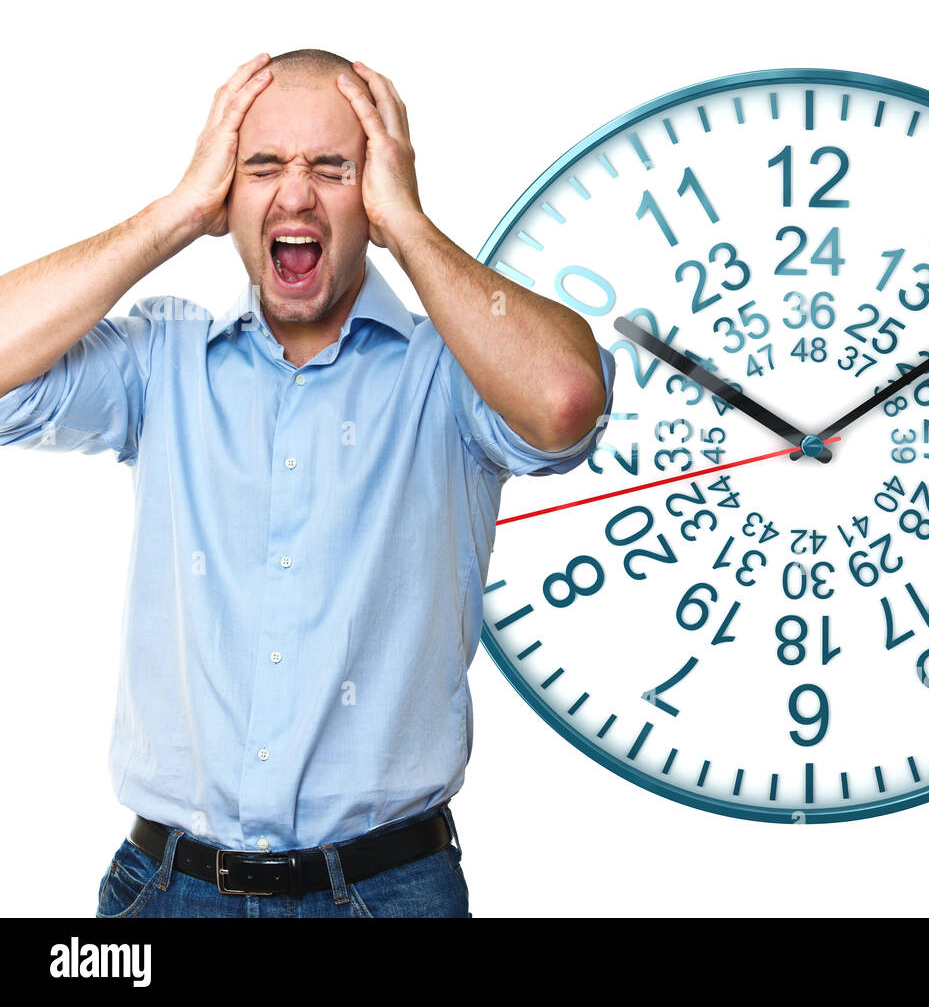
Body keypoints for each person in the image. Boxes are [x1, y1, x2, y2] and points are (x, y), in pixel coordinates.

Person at [0, 49, 615, 917]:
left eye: (334, 168)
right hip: (164, 893)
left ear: (375, 192)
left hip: (389, 894)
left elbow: (565, 401)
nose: (295, 195)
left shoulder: (449, 377)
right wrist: (172, 216)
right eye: (261, 167)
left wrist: (411, 227)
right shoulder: (163, 362)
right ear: (227, 195)